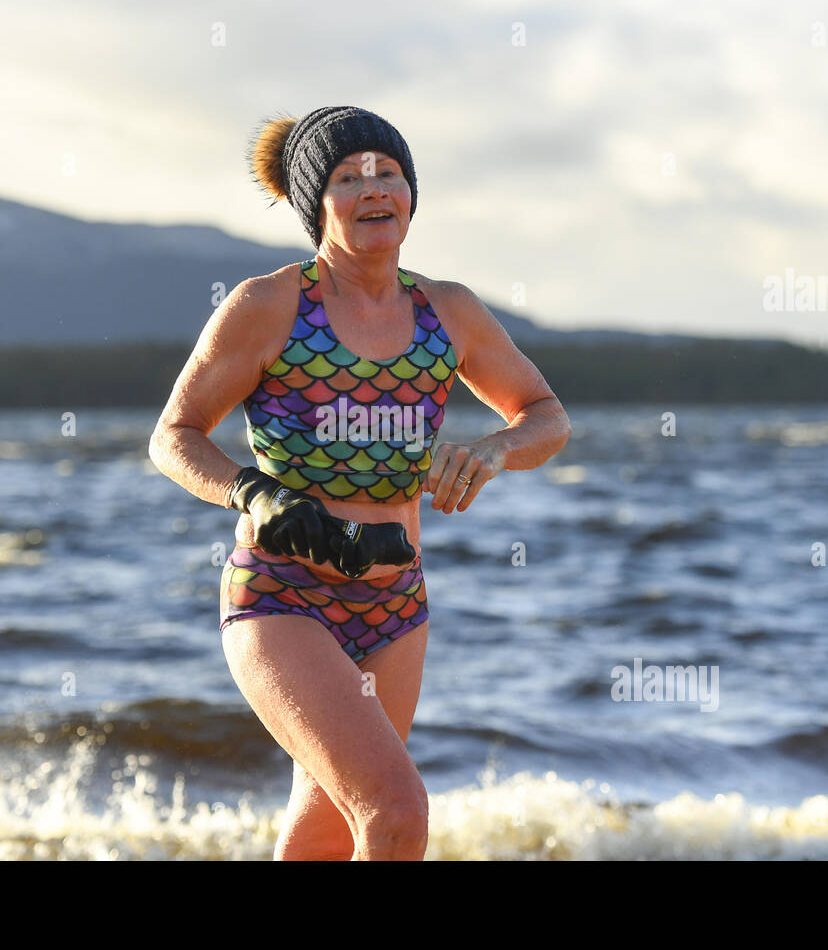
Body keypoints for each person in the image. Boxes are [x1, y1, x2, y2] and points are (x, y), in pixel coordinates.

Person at [150, 105, 571, 860]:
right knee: (396, 810)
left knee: (326, 831)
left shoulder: (450, 312)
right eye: (348, 178)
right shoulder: (270, 306)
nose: (374, 188)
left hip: (395, 608)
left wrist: (493, 451)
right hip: (281, 595)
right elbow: (173, 437)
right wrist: (253, 492)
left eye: (389, 173)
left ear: (411, 194)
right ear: (317, 205)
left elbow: (545, 416)